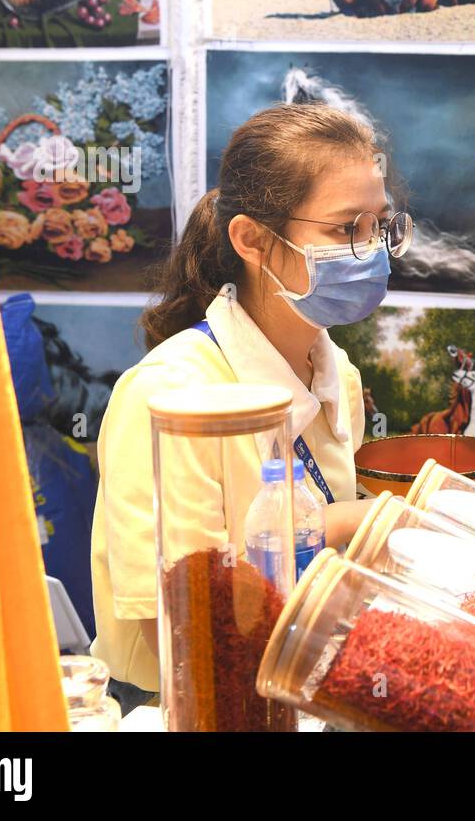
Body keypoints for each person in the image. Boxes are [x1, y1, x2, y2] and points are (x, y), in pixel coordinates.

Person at [90, 104, 411, 713]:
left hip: (299, 681)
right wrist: (343, 526)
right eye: (346, 229)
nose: (371, 250)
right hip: (185, 704)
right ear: (252, 240)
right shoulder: (166, 396)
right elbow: (181, 619)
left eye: (380, 225)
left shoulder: (335, 371)